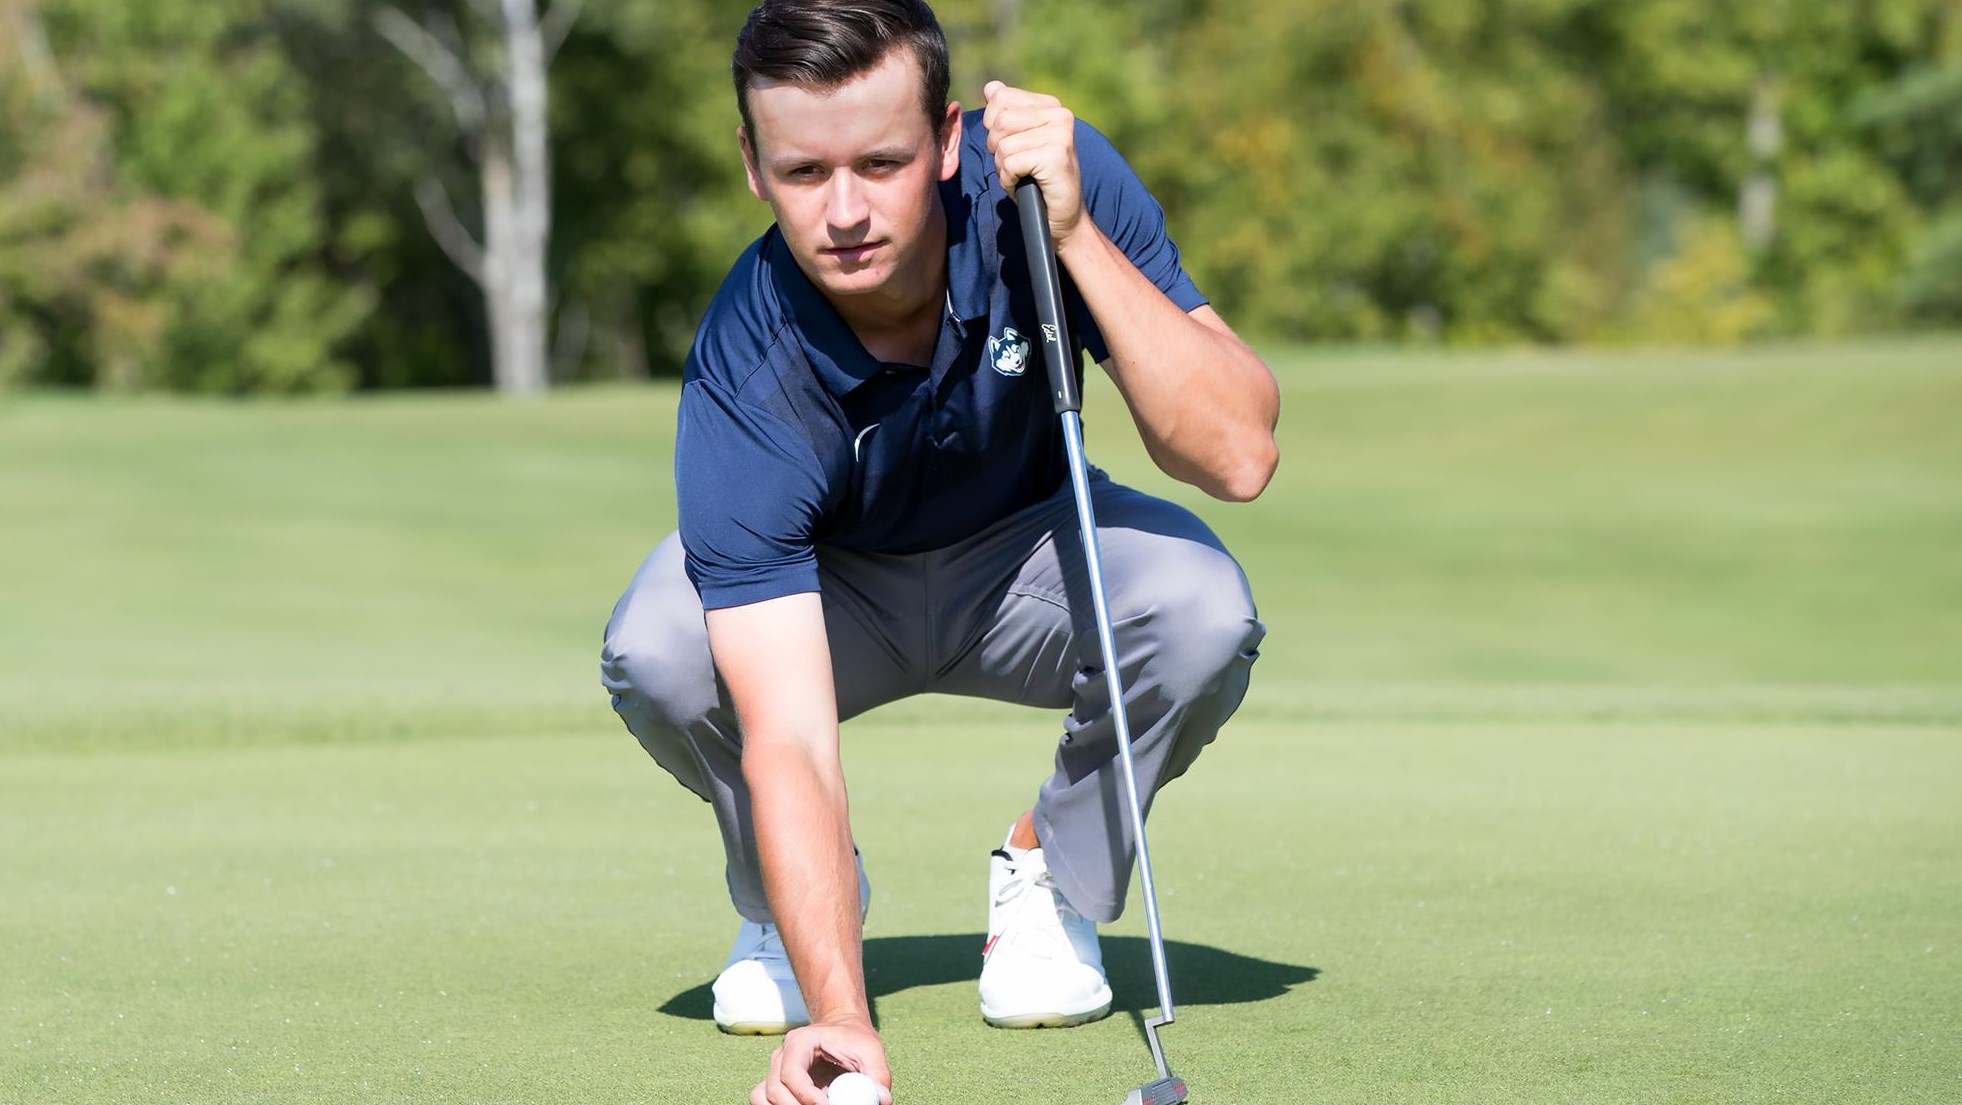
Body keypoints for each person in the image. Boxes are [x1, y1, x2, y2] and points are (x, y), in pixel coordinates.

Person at [598, 2, 1278, 1102]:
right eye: (806, 171)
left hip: (1030, 559)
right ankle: (789, 906)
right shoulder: (743, 363)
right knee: (660, 643)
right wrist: (840, 1020)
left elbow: (1238, 453)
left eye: (883, 161)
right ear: (753, 168)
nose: (848, 211)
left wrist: (1072, 236)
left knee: (1201, 606)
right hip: (833, 590)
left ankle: (1050, 866)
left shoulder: (1045, 180)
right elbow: (790, 739)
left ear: (950, 139)